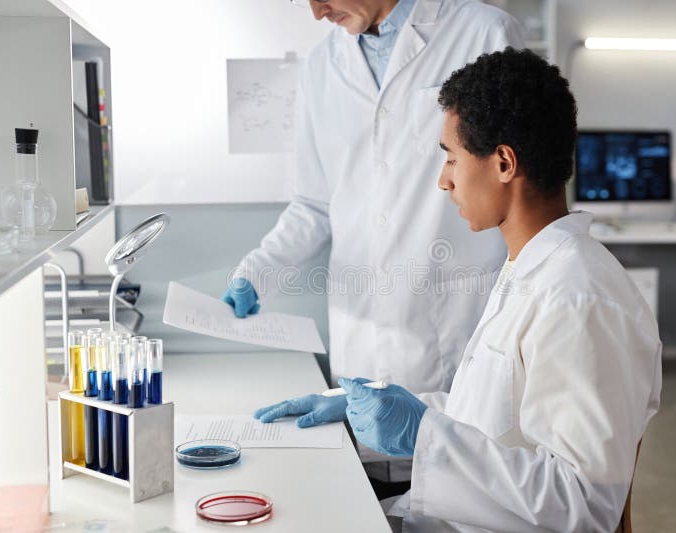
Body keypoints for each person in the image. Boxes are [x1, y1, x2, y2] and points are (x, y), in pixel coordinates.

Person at [335, 47, 663, 532]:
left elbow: (585, 507)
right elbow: (493, 421)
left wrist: (423, 433)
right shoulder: (530, 268)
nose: (444, 181)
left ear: (504, 162)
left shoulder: (579, 297)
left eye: (451, 157)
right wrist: (362, 414)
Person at [224, 0, 525, 487]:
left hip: (453, 325)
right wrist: (258, 271)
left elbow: (522, 186)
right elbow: (314, 202)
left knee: (457, 486)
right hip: (359, 335)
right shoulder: (322, 66)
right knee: (370, 497)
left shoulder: (482, 32)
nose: (317, 12)